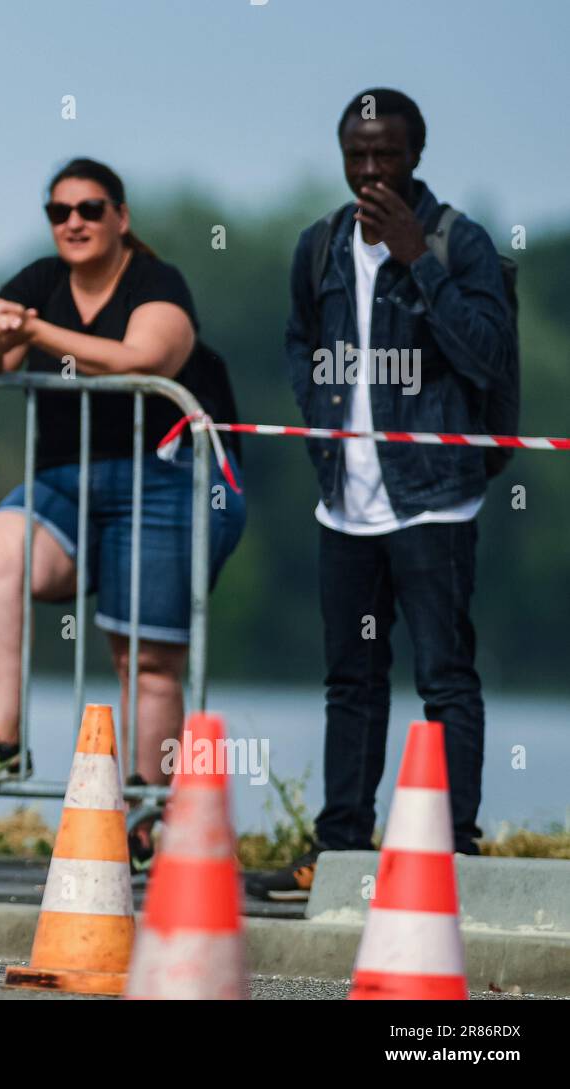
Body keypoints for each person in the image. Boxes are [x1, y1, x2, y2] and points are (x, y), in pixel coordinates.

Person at [0, 157, 246, 868]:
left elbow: (146, 357)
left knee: (146, 656)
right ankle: (1, 741)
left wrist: (35, 334)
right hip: (67, 483)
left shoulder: (157, 283)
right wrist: (1, 335)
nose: (72, 221)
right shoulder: (39, 279)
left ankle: (143, 812)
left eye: (90, 208)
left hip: (162, 478)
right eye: (59, 211)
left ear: (121, 217)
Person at [252, 89, 516, 901]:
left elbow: (485, 357)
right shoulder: (322, 244)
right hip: (345, 500)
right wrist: (318, 417)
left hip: (434, 499)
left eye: (387, 154)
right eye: (358, 154)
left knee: (444, 677)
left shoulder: (455, 240)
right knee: (350, 680)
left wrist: (418, 261)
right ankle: (337, 852)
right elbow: (301, 340)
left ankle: (454, 853)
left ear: (416, 155)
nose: (371, 170)